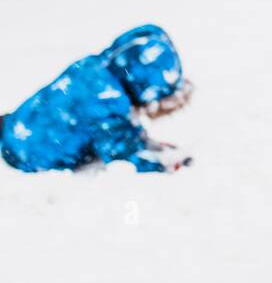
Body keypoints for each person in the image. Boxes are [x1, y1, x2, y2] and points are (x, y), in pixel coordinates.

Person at [0, 24, 193, 174]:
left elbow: (120, 129)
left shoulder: (96, 68)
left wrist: (148, 143)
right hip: (24, 155)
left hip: (18, 126)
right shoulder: (107, 103)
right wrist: (165, 164)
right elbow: (123, 156)